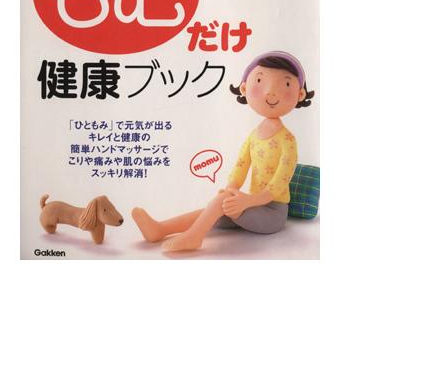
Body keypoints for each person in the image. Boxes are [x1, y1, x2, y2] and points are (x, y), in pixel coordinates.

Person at [131, 51, 314, 252]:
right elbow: (240, 166)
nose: (270, 92)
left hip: (273, 213)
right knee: (214, 208)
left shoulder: (287, 141)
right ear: (244, 88)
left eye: (286, 84)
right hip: (251, 204)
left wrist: (247, 200)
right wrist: (231, 189)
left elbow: (278, 184)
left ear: (300, 95)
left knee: (220, 203)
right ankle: (160, 229)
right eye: (260, 80)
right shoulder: (254, 135)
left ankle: (193, 238)